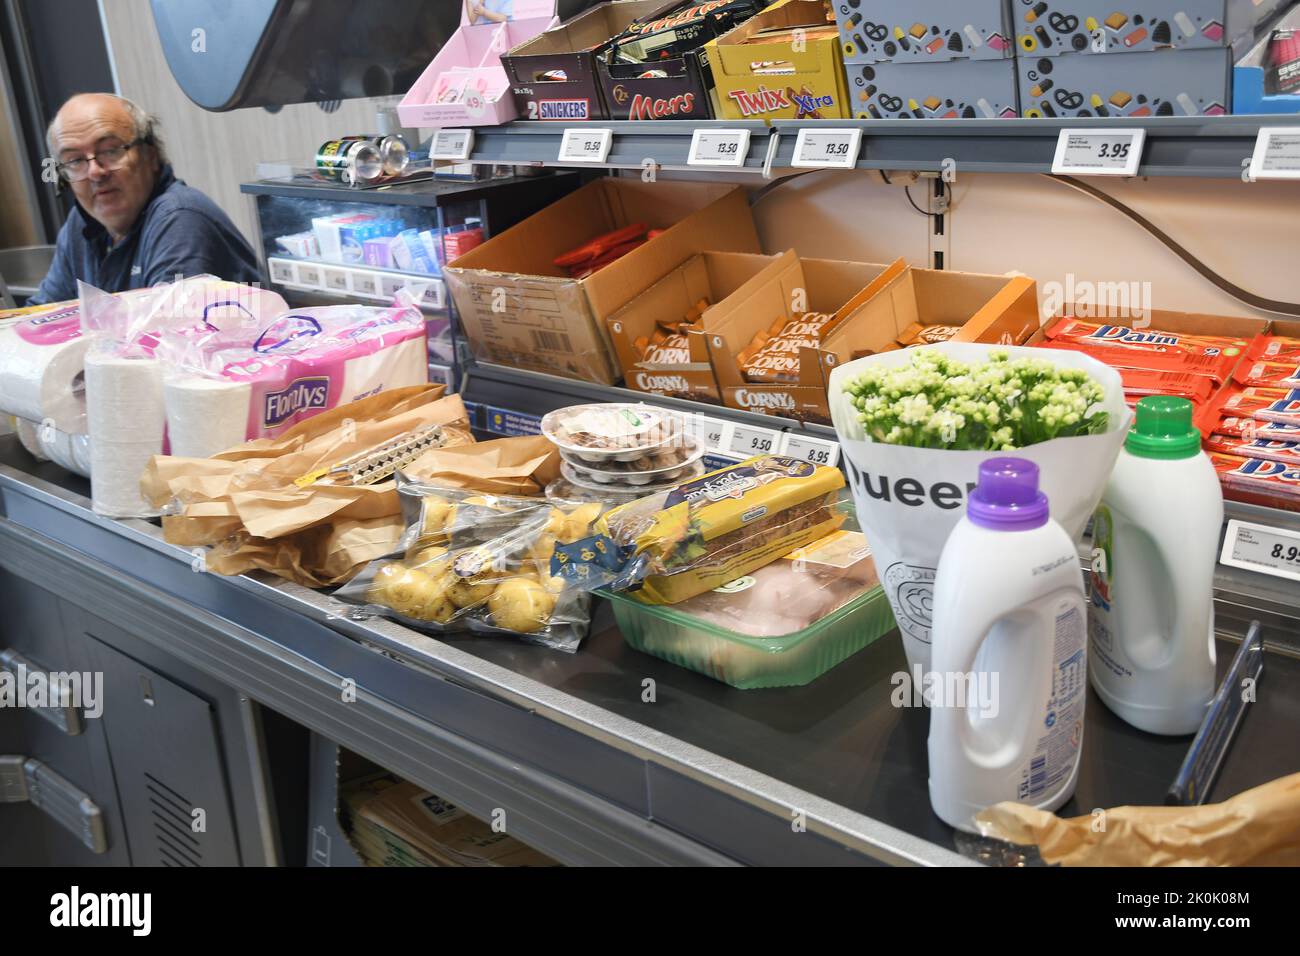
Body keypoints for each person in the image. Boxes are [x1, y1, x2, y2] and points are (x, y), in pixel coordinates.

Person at [28, 93, 262, 305]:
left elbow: (167, 338)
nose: (95, 172)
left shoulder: (179, 218)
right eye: (75, 161)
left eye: (111, 151)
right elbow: (42, 316)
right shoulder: (80, 224)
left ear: (151, 155)